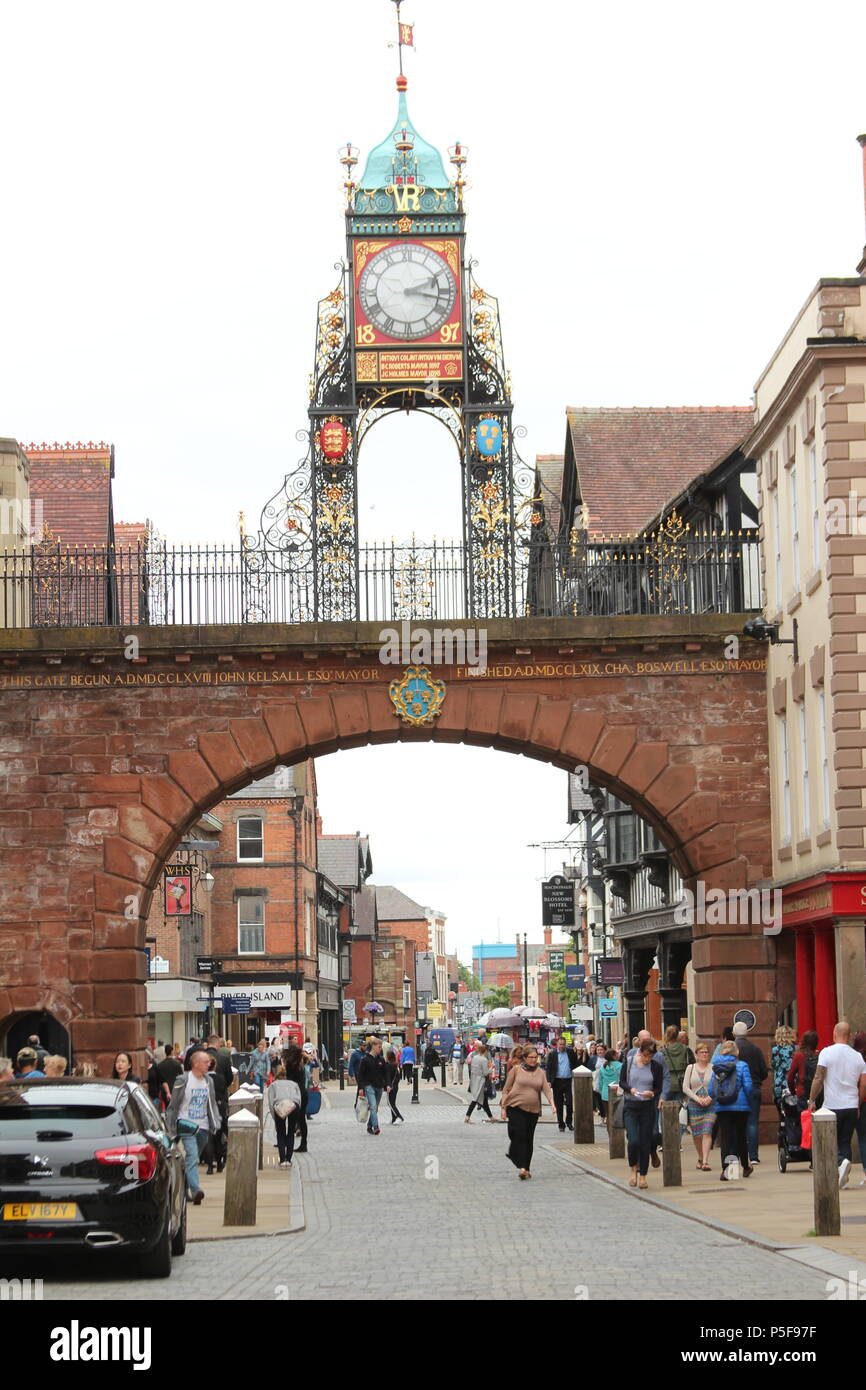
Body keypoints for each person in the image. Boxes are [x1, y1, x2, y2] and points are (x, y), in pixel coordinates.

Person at [807, 1021, 866, 1187]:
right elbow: (863, 1084)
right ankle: (843, 1175)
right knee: (845, 1140)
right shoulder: (857, 1057)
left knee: (831, 1142)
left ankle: (841, 1164)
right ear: (848, 1036)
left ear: (834, 1034)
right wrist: (858, 1103)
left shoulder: (827, 1053)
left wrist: (812, 1099)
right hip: (851, 1105)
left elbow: (819, 1078)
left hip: (832, 1105)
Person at [165, 1046, 222, 1204]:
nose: (208, 1065)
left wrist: (215, 1121)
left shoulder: (208, 1081)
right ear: (196, 1063)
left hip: (203, 1126)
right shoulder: (183, 1080)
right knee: (192, 1156)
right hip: (186, 1124)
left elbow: (211, 1104)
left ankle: (185, 1186)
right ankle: (196, 1189)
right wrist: (170, 1126)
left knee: (193, 1159)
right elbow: (174, 1104)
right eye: (206, 1062)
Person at [499, 1044, 555, 1179]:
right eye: (531, 1057)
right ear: (524, 1058)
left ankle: (525, 1168)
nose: (533, 1060)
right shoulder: (516, 1070)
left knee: (528, 1139)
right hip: (515, 1107)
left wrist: (552, 1104)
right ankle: (517, 1158)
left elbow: (546, 1089)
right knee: (519, 1134)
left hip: (533, 1110)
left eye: (536, 1057)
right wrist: (503, 1108)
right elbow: (506, 1089)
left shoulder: (540, 1072)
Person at [619, 1039, 664, 1188]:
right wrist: (630, 1089)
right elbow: (622, 1082)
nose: (647, 1059)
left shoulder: (655, 1067)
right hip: (631, 1106)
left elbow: (658, 1087)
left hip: (647, 1107)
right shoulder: (629, 1062)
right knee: (634, 1141)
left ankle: (643, 1176)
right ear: (640, 1051)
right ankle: (633, 1170)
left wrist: (651, 1093)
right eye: (646, 1056)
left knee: (646, 1142)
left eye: (650, 1057)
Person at [708, 1040, 753, 1180]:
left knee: (726, 1138)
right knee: (740, 1136)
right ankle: (745, 1166)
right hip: (741, 1106)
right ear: (736, 1052)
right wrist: (748, 1100)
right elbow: (748, 1087)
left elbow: (711, 1090)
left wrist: (719, 1098)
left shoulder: (716, 1067)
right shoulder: (742, 1065)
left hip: (722, 1107)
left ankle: (726, 1170)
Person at [624, 1030, 670, 1166]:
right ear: (638, 1041)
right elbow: (624, 1076)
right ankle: (638, 1162)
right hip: (634, 1101)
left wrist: (663, 1096)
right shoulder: (631, 1055)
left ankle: (652, 1151)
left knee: (654, 1133)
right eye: (643, 1040)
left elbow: (666, 1077)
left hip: (652, 1101)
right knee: (636, 1135)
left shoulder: (659, 1057)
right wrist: (628, 1090)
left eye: (648, 1039)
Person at [731, 1021, 768, 1165]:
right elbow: (764, 1072)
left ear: (733, 1034)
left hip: (734, 1092)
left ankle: (735, 1155)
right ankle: (753, 1156)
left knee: (735, 1124)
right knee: (752, 1123)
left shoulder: (729, 1050)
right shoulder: (756, 1050)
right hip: (754, 1089)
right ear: (747, 1033)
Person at [683, 1042, 716, 1170]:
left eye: (706, 1052)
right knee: (697, 1134)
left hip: (710, 1105)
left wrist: (709, 1098)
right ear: (696, 1055)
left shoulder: (713, 1068)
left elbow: (717, 1086)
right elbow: (685, 1087)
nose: (704, 1054)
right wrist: (696, 1098)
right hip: (694, 1105)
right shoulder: (690, 1068)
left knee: (707, 1131)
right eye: (701, 1052)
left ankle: (706, 1161)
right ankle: (700, 1157)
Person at [267, 1063, 302, 1168]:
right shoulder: (293, 1084)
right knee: (290, 1132)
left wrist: (274, 1117)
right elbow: (299, 1098)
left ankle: (282, 1160)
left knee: (281, 1133)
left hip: (280, 1105)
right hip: (293, 1104)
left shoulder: (274, 1085)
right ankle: (289, 1160)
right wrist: (297, 1112)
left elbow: (270, 1102)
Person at [545, 1037, 578, 1132]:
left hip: (568, 1080)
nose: (562, 1046)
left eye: (563, 1044)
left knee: (569, 1102)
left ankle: (569, 1122)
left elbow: (575, 1063)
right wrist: (549, 1080)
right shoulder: (552, 1054)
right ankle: (561, 1124)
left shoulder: (570, 1052)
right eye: (560, 1044)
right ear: (557, 1044)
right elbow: (549, 1068)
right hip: (557, 1081)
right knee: (558, 1104)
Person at [357, 1037, 388, 1135]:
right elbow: (360, 1074)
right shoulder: (365, 1059)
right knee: (373, 1107)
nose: (380, 1049)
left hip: (379, 1086)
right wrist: (361, 1088)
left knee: (375, 1107)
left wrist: (387, 1085)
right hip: (368, 1086)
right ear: (373, 1047)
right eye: (379, 1047)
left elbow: (385, 1073)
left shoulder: (381, 1060)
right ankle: (376, 1127)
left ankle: (370, 1125)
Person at [204, 1054, 229, 1175]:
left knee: (209, 1139)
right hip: (218, 1110)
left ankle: (210, 1165)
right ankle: (219, 1163)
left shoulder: (202, 1079)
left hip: (206, 1111)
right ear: (215, 1067)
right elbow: (225, 1096)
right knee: (219, 1138)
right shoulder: (220, 1079)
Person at [283, 1045, 309, 1153]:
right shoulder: (301, 1063)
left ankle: (288, 1143)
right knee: (302, 1120)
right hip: (303, 1094)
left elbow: (289, 1081)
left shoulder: (291, 1065)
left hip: (294, 1095)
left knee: (291, 1120)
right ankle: (304, 1143)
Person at [787, 1031, 820, 1115]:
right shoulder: (819, 1055)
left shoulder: (799, 1055)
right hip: (817, 1093)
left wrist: (793, 1092)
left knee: (804, 1120)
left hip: (802, 1092)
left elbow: (790, 1077)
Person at [465, 1041, 495, 1123]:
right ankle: (467, 1117)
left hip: (474, 1080)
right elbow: (485, 1073)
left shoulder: (475, 1057)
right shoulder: (484, 1059)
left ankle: (491, 1117)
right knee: (476, 1100)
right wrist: (491, 1067)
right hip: (481, 1082)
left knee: (483, 1101)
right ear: (485, 1051)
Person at [661, 1025, 690, 1106]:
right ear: (677, 1035)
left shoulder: (663, 1051)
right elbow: (692, 1065)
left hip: (667, 1083)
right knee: (680, 1109)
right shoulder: (686, 1049)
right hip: (681, 1082)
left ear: (666, 1035)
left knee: (665, 1109)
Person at [595, 1049, 623, 1123]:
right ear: (614, 1056)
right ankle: (615, 1134)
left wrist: (601, 1092)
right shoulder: (621, 1066)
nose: (618, 1054)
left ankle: (609, 1132)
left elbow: (600, 1082)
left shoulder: (603, 1067)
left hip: (605, 1094)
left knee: (608, 1115)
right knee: (617, 1116)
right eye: (616, 1053)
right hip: (617, 1093)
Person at [771, 1024, 797, 1102]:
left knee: (782, 1110)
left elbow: (773, 1065)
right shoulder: (796, 1049)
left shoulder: (775, 1050)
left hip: (780, 1083)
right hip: (793, 1082)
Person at [853, 1032, 866, 1188]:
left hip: (862, 1103)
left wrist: (858, 1103)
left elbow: (862, 1085)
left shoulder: (857, 1060)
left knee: (863, 1137)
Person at [384, 1048, 405, 1124]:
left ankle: (399, 1117)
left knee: (390, 1103)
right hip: (395, 1086)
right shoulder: (396, 1065)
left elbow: (388, 1076)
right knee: (392, 1102)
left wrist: (389, 1085)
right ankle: (393, 1118)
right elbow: (398, 1076)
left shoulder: (389, 1065)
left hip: (391, 1086)